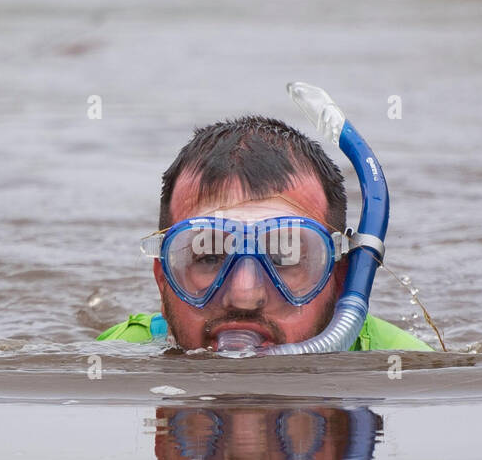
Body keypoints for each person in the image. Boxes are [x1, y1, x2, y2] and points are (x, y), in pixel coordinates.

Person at [96, 116, 431, 351]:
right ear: (163, 277)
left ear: (340, 277)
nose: (244, 296)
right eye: (209, 256)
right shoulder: (120, 352)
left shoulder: (400, 363)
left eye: (285, 256)